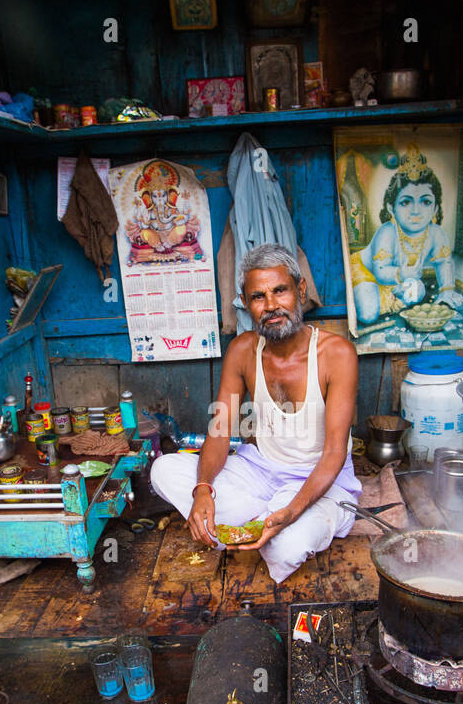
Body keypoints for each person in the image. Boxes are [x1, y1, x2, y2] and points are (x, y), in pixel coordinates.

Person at [150, 243, 362, 583]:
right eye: (258, 297)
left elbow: (335, 452)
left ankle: (264, 525)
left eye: (280, 291)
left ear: (300, 290)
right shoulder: (243, 350)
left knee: (287, 549)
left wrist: (292, 511)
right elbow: (219, 431)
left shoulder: (336, 354)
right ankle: (260, 522)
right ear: (246, 304)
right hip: (259, 470)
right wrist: (202, 490)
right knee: (163, 469)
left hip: (318, 478)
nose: (272, 305)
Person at [351, 143, 463, 326]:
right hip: (368, 272)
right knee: (368, 313)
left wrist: (447, 290)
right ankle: (380, 297)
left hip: (400, 280)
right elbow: (380, 272)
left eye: (426, 202)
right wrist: (404, 274)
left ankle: (392, 297)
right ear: (391, 208)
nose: (416, 211)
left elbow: (444, 262)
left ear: (435, 208)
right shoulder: (387, 232)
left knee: (418, 290)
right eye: (405, 202)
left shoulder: (436, 233)